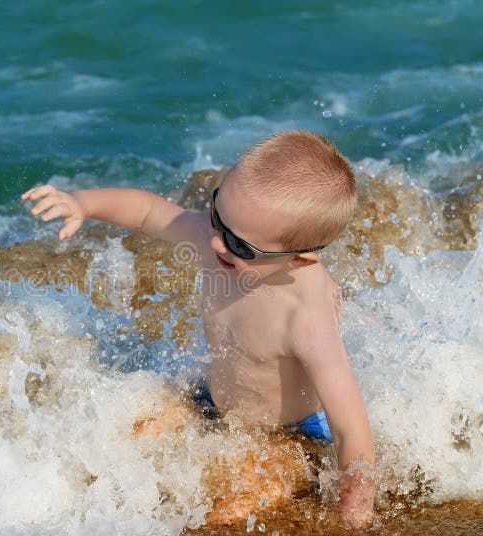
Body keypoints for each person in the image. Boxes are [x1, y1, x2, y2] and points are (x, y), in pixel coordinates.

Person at [21, 130, 375, 528]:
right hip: (215, 399)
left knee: (223, 514)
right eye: (216, 215)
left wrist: (356, 515)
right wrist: (82, 203)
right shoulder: (224, 237)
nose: (218, 244)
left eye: (240, 247)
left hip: (292, 434)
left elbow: (351, 432)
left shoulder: (306, 319)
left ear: (300, 259)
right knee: (121, 446)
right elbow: (147, 212)